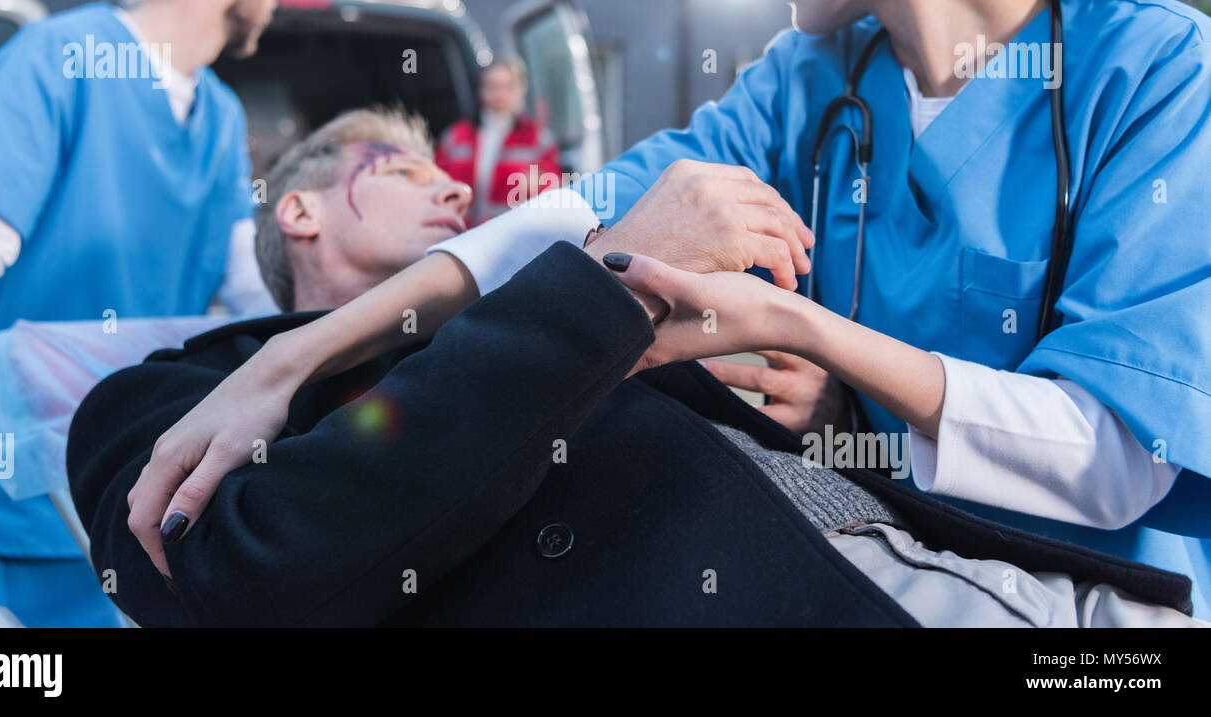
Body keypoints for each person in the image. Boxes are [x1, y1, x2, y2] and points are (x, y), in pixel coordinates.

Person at [121, 0, 1211, 619]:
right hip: (862, 553)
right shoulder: (811, 79)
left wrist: (808, 332)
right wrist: (294, 355)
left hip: (1089, 599)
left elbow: (1118, 460)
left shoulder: (1155, 72)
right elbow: (580, 220)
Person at [67, 109, 1205, 626]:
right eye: (396, 167)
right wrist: (602, 288)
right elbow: (252, 575)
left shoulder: (548, 309)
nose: (452, 189)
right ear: (298, 208)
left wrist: (820, 414)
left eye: (448, 172)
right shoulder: (166, 396)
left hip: (1010, 592)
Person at [0, 0, 282, 627]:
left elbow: (251, 294)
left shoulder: (218, 113)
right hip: (16, 511)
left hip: (139, 500)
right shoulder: (54, 59)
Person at [435, 56, 561, 225]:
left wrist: (539, 186)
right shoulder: (455, 136)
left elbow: (554, 193)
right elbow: (435, 183)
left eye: (507, 87)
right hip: (459, 234)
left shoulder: (538, 139)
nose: (499, 94)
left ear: (521, 89)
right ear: (481, 90)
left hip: (508, 235)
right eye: (492, 87)